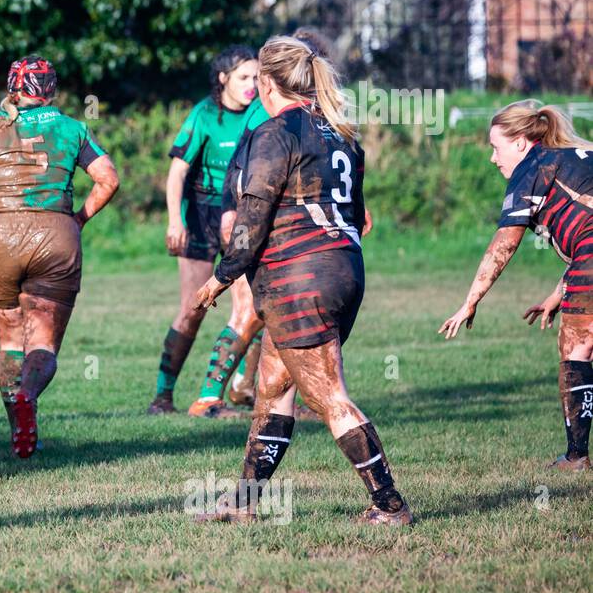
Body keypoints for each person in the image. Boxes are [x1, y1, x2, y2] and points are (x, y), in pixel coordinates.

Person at [192, 36, 411, 525]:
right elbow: (356, 214)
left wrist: (222, 276)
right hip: (343, 268)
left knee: (329, 395)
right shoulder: (340, 133)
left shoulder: (275, 132)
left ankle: (389, 504)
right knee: (272, 386)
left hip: (298, 278)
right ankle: (244, 503)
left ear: (268, 82)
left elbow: (253, 215)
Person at [0, 55, 120, 457]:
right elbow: (108, 179)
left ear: (11, 87)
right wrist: (78, 219)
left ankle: (16, 429)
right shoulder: (73, 127)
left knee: (9, 337)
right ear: (52, 90)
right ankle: (29, 395)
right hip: (55, 234)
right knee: (42, 339)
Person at [440, 101, 593, 471]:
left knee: (577, 346)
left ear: (522, 143)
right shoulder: (570, 156)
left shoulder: (532, 167)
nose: (493, 158)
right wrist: (558, 294)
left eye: (496, 147)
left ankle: (576, 456)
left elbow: (503, 245)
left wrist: (470, 300)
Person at [150, 46, 271, 417]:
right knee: (193, 309)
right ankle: (162, 397)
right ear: (223, 79)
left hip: (242, 216)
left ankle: (240, 390)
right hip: (202, 215)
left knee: (254, 307)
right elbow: (177, 172)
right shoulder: (204, 114)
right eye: (243, 77)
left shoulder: (261, 111)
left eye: (256, 77)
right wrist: (175, 220)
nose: (252, 85)